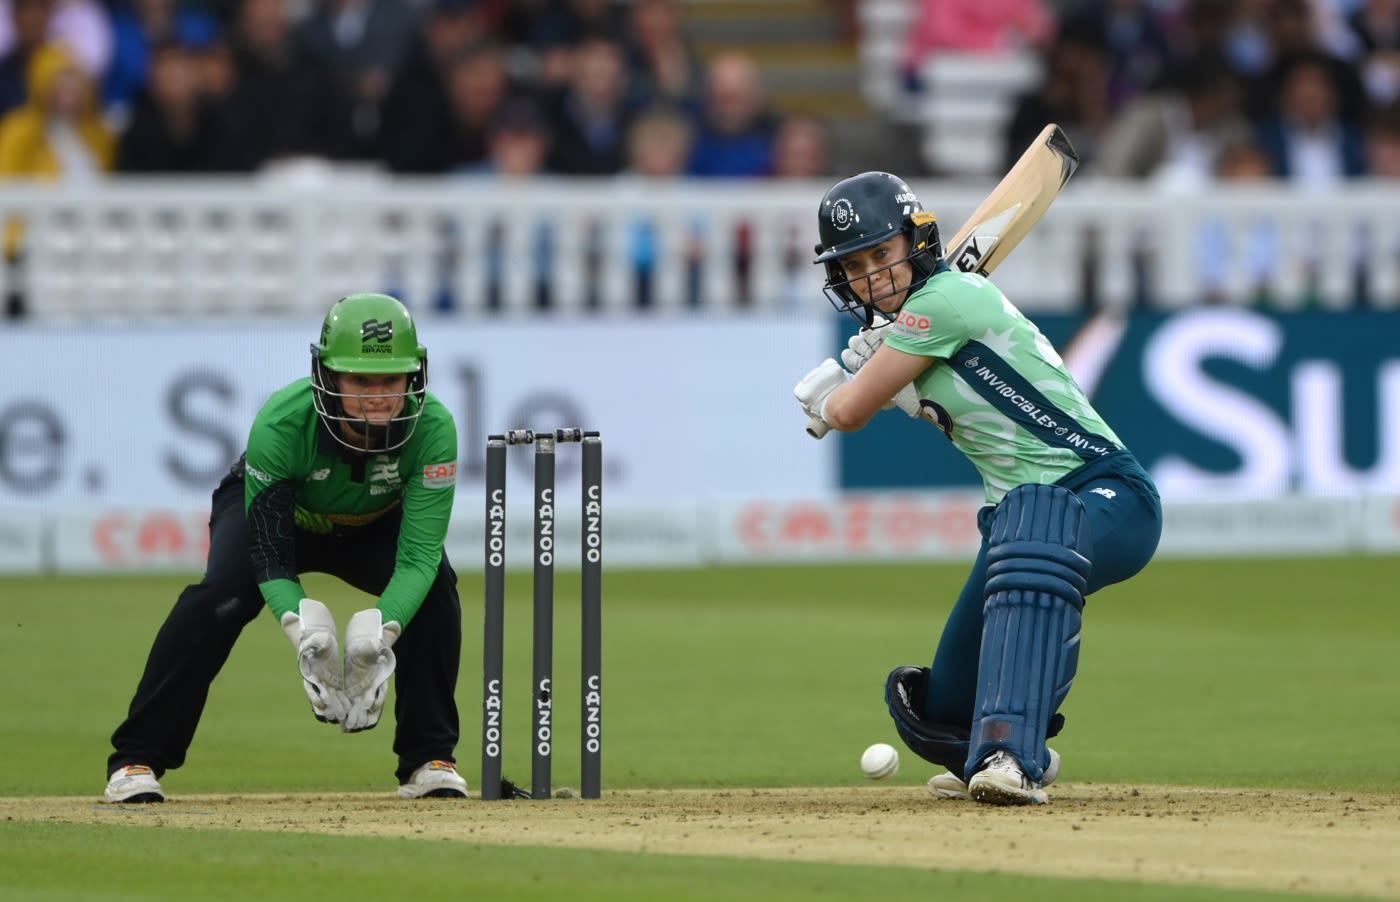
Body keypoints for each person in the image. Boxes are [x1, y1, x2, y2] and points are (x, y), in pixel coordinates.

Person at [793, 172, 1162, 805]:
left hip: (1106, 494)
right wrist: (869, 368)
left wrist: (837, 395)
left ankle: (1011, 758)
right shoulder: (907, 330)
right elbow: (880, 387)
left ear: (917, 241)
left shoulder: (952, 298)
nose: (872, 275)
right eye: (854, 265)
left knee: (1034, 531)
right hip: (1015, 521)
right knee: (944, 706)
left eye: (882, 254)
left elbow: (850, 413)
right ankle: (1011, 747)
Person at [103, 293, 468, 804]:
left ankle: (429, 759)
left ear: (414, 375)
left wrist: (381, 627)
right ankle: (136, 759)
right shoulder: (282, 423)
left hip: (373, 522)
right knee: (220, 600)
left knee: (435, 595)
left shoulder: (434, 429)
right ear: (327, 374)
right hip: (285, 518)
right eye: (360, 380)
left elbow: (419, 557)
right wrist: (301, 624)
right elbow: (271, 551)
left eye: (391, 380)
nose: (378, 397)